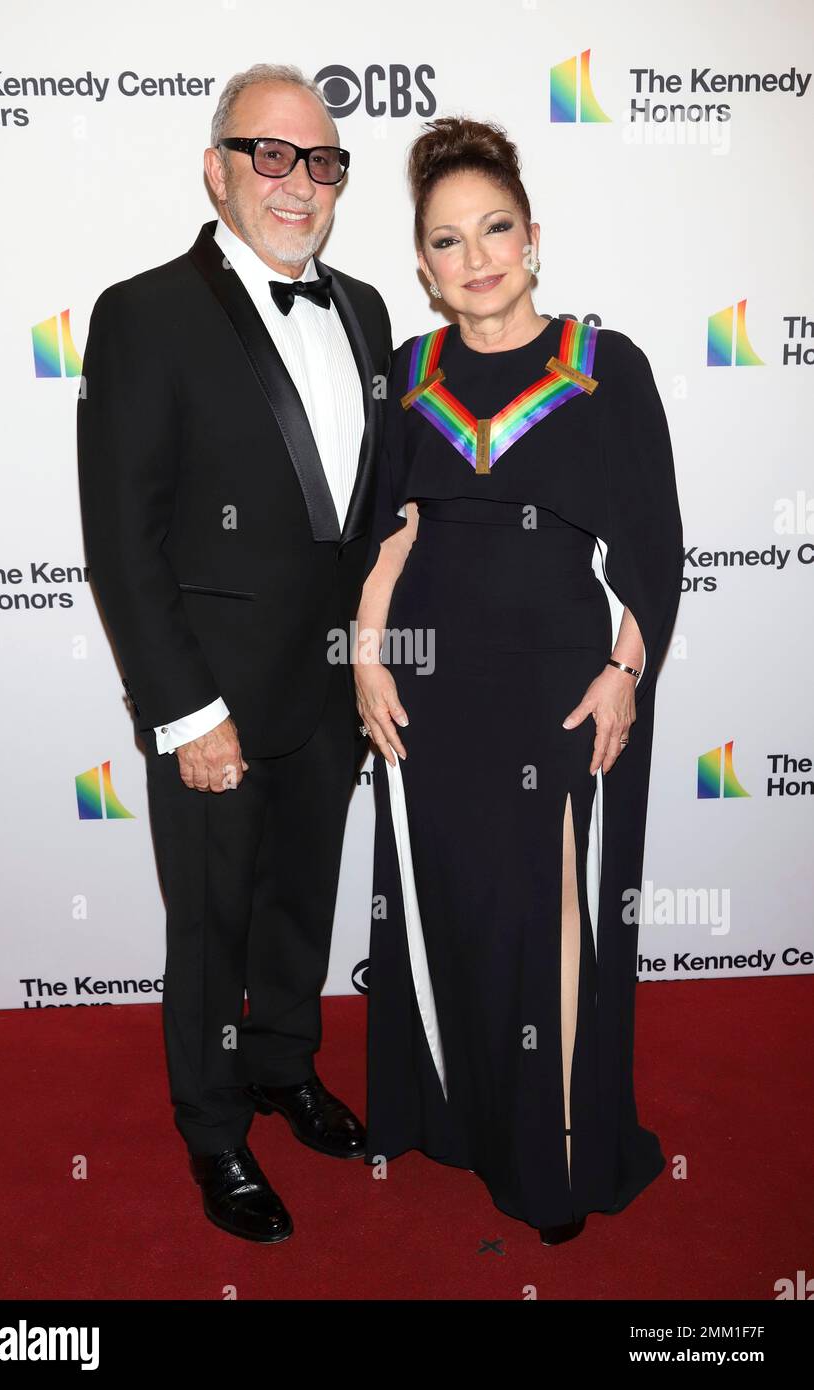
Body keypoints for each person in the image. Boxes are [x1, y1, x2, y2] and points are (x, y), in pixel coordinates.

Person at [354, 116, 684, 1245]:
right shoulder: (408, 372)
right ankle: (456, 1116)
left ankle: (546, 1148)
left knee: (547, 904)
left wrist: (623, 671)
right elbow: (389, 537)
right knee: (446, 900)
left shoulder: (604, 366)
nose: (476, 255)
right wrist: (364, 654)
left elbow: (653, 545)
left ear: (532, 236)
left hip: (551, 678)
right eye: (447, 240)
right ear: (423, 265)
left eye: (494, 228)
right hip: (432, 679)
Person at [77, 64, 392, 1243]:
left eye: (320, 161)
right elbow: (122, 536)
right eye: (269, 155)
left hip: (327, 694)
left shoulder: (364, 308)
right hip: (210, 701)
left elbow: (364, 512)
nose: (297, 182)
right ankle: (214, 1132)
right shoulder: (141, 312)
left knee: (298, 907)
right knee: (208, 928)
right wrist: (182, 709)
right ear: (216, 170)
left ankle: (281, 1065)